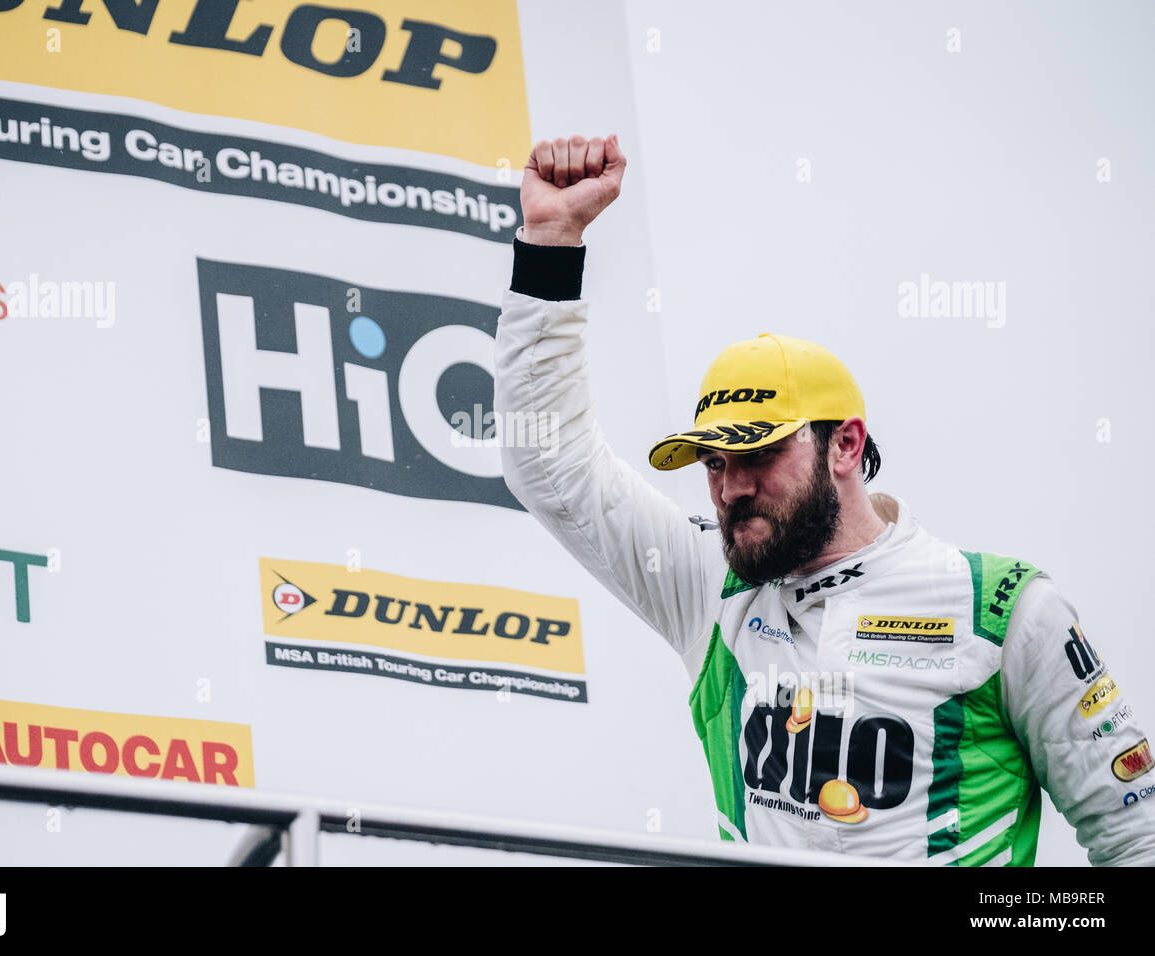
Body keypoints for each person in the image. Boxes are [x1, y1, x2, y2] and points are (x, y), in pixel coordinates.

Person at [493, 133, 1155, 865]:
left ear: (844, 445)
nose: (731, 488)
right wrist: (550, 244)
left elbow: (1135, 833)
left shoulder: (1004, 608)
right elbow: (548, 463)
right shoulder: (712, 582)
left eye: (759, 454)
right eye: (714, 462)